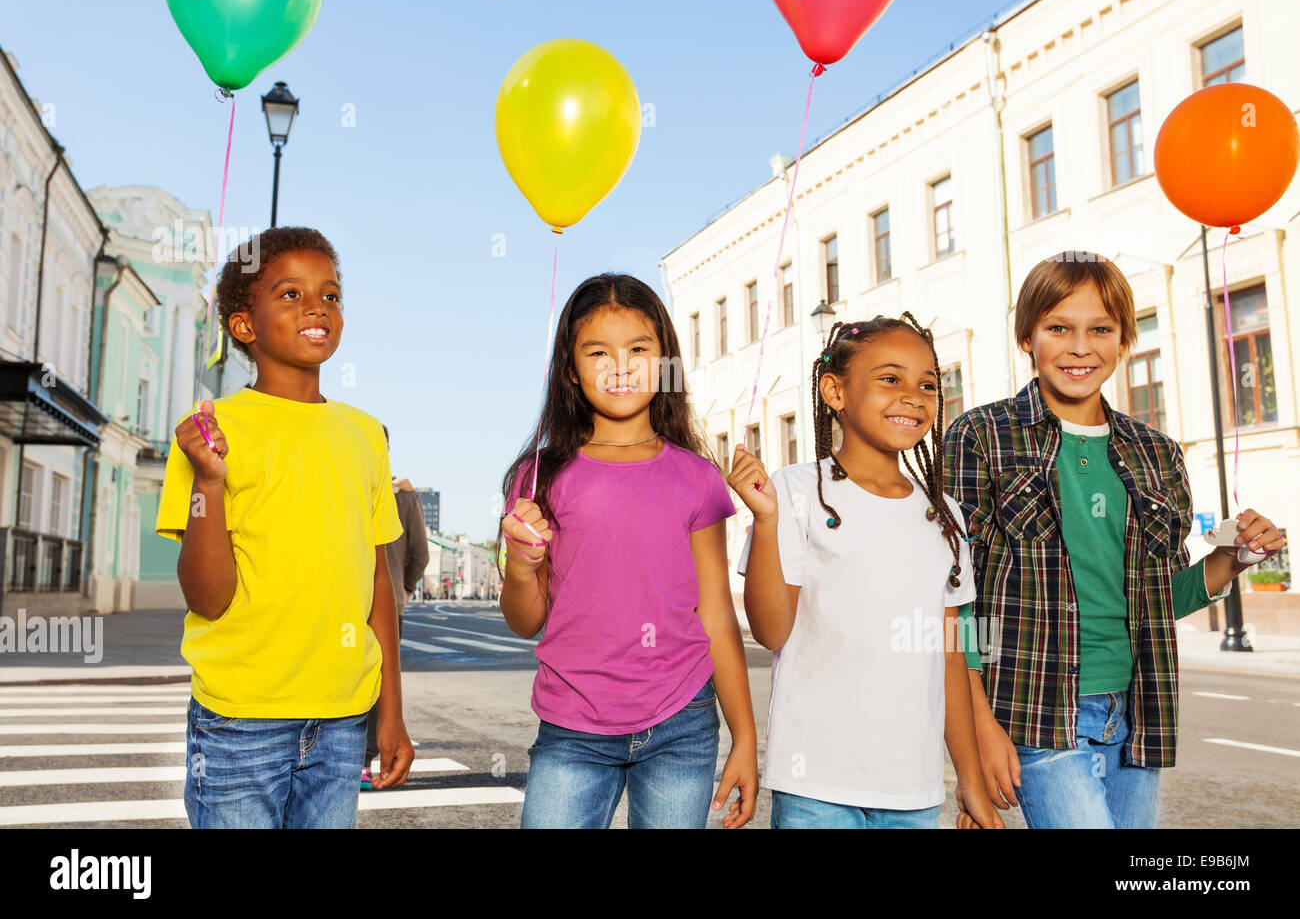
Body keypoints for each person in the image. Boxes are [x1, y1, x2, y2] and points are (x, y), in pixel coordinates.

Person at [945, 253, 1285, 828]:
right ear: (1026, 335)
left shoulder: (1157, 453)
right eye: (1059, 328)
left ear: (1124, 338)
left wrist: (1234, 556)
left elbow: (1161, 600)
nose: (1081, 348)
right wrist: (979, 726)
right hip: (1033, 714)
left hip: (1133, 717)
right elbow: (956, 595)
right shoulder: (980, 435)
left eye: (1100, 329)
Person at [156, 227, 415, 829]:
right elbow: (206, 596)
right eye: (291, 294)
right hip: (240, 720)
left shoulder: (365, 435)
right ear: (244, 326)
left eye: (330, 294)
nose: (317, 308)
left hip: (342, 719)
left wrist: (391, 711)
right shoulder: (208, 430)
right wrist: (210, 482)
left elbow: (378, 580)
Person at [498, 273, 758, 829]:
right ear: (570, 368)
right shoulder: (539, 476)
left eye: (638, 349)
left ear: (665, 361)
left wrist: (746, 737)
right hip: (571, 725)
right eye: (598, 351)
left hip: (681, 724)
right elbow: (525, 621)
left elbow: (715, 611)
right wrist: (522, 568)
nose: (620, 366)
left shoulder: (697, 477)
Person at [731, 315, 1001, 830]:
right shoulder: (794, 491)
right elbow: (770, 631)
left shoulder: (945, 515)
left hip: (914, 791)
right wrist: (765, 522)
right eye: (890, 379)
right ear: (835, 390)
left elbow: (950, 656)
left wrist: (968, 778)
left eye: (927, 384)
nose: (914, 396)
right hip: (816, 787)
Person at [361, 428, 430, 789]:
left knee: (354, 680)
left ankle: (356, 759)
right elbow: (420, 552)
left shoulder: (359, 486)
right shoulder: (405, 497)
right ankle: (365, 761)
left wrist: (401, 587)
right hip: (391, 606)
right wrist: (403, 586)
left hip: (354, 603)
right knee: (379, 681)